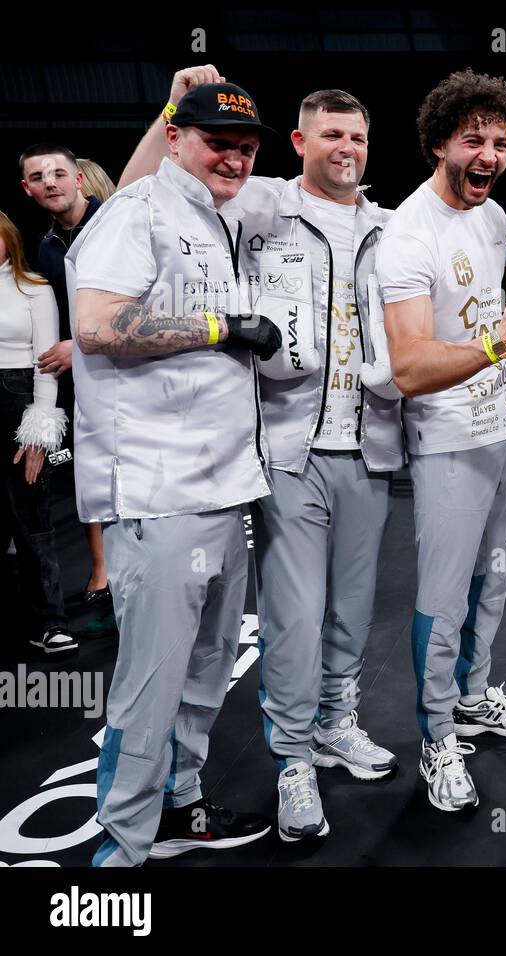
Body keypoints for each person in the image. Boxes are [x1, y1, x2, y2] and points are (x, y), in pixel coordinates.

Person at [119, 74, 408, 840]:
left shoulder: (390, 224)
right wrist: (172, 114)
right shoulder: (260, 202)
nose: (346, 149)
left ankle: (335, 724)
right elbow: (139, 197)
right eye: (332, 135)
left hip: (371, 444)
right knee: (294, 617)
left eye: (358, 137)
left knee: (350, 614)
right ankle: (293, 762)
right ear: (300, 142)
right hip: (285, 449)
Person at [66, 81, 282, 866]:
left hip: (225, 489)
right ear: (177, 139)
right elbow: (95, 327)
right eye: (217, 140)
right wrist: (223, 326)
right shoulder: (138, 210)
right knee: (150, 687)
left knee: (206, 673)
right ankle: (119, 852)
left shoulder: (214, 215)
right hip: (158, 496)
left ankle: (180, 805)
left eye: (247, 145)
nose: (234, 155)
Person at [376, 69, 506, 812]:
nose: (489, 154)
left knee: (497, 578)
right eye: (473, 139)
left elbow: (489, 311)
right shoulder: (406, 235)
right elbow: (411, 367)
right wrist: (499, 343)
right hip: (444, 442)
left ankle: (474, 698)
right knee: (443, 601)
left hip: (493, 432)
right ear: (440, 141)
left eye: (501, 142)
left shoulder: (489, 216)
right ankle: (437, 738)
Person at [19, 142, 110, 616]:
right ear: (28, 189)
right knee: (90, 469)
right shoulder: (47, 245)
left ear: (79, 179)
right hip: (81, 378)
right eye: (39, 177)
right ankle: (101, 572)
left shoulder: (115, 223)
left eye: (59, 173)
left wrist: (84, 343)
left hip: (127, 364)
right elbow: (56, 313)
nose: (50, 182)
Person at [0, 209, 72, 653]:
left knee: (32, 517)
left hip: (17, 402)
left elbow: (47, 366)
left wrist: (39, 431)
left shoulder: (34, 289)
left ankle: (50, 622)